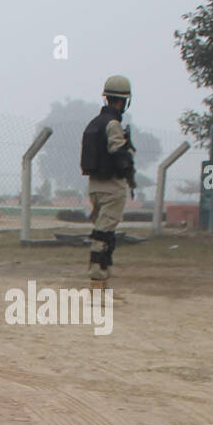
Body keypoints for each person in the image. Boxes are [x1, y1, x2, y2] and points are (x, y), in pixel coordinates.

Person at [80, 75, 136, 281]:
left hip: (94, 185)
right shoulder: (113, 124)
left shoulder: (94, 123)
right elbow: (117, 153)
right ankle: (98, 271)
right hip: (112, 185)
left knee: (104, 231)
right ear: (123, 101)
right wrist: (128, 166)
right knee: (104, 233)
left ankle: (104, 271)